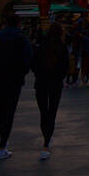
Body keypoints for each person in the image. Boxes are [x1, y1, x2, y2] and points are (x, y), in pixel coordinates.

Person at [0, 13, 33, 159]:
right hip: (14, 79)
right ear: (18, 24)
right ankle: (2, 145)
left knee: (2, 110)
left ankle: (3, 142)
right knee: (9, 111)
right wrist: (21, 72)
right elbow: (28, 59)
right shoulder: (22, 40)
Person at [31, 24, 69, 160]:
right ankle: (46, 144)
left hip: (41, 83)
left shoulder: (40, 46)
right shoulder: (62, 47)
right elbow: (66, 66)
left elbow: (33, 64)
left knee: (43, 112)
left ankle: (46, 137)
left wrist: (39, 74)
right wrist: (60, 77)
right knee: (52, 112)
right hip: (55, 84)